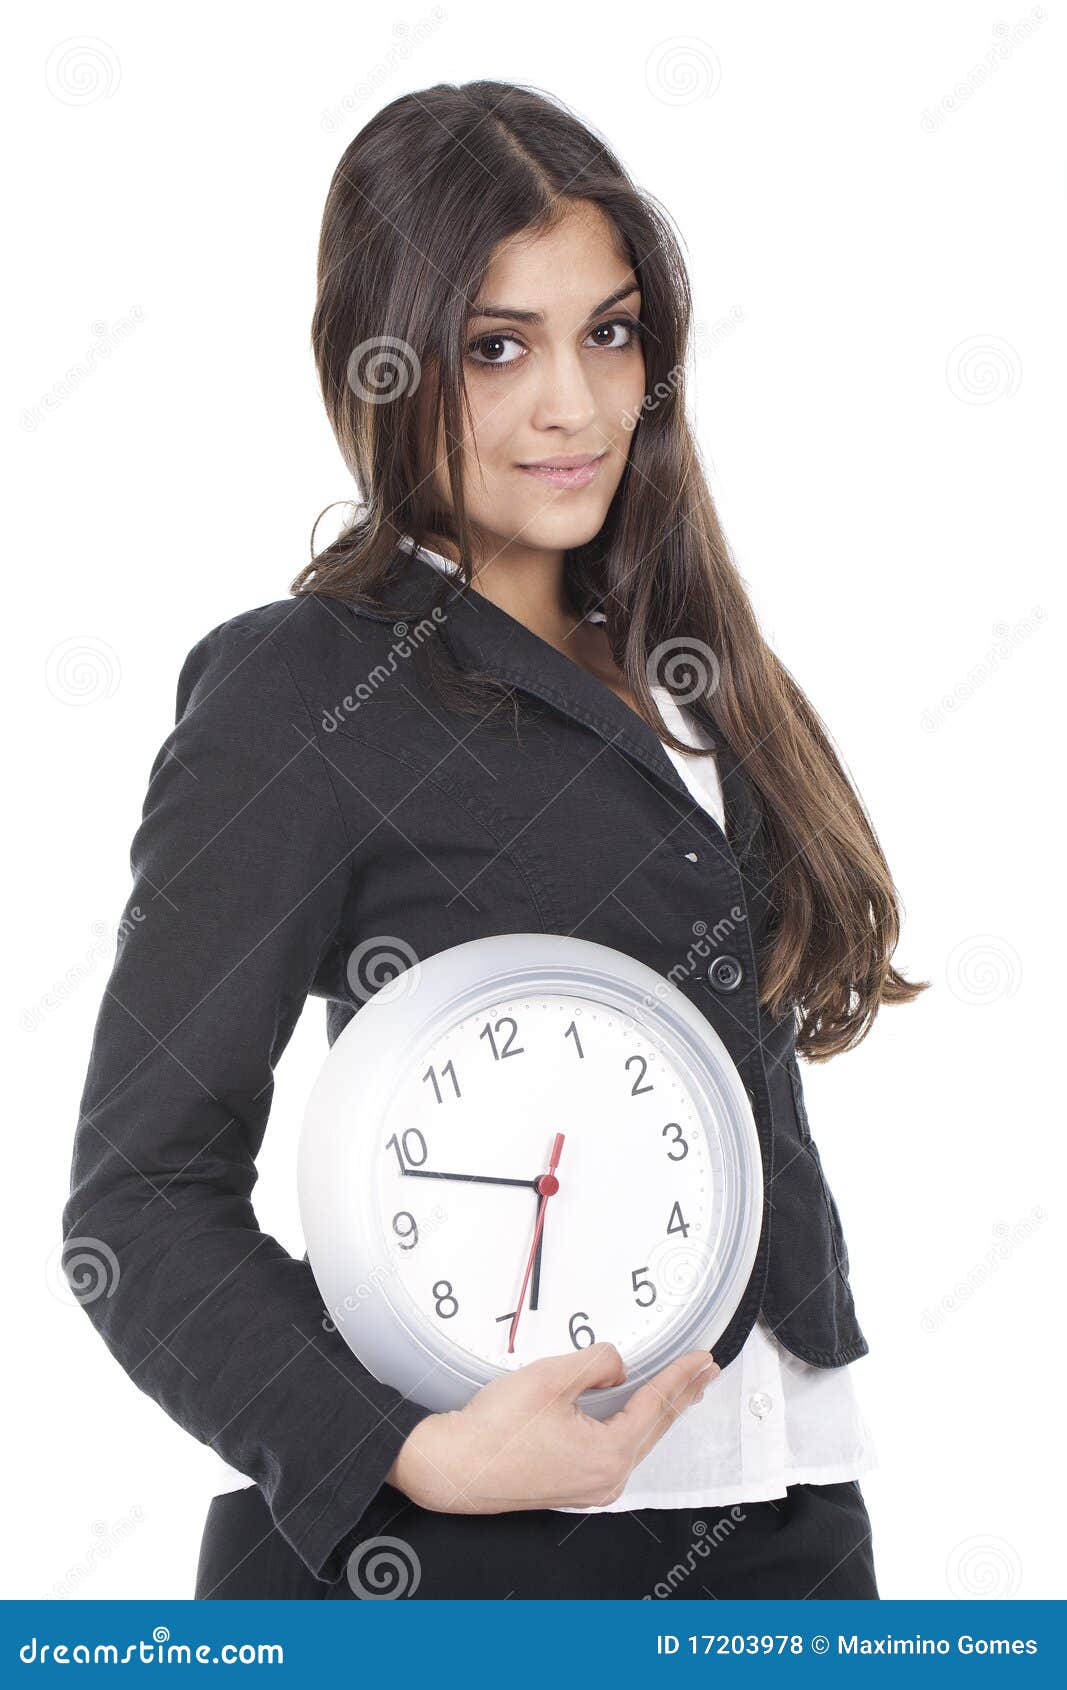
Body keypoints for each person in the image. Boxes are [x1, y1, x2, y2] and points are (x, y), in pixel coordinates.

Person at [62, 79, 925, 1601]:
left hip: (789, 1521)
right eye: (495, 346)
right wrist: (400, 1444)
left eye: (609, 331)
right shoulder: (306, 687)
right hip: (471, 1558)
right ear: (381, 363)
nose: (574, 405)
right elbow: (138, 1194)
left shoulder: (696, 665)